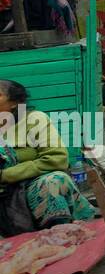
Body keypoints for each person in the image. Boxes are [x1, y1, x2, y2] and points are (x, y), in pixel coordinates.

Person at [0, 80, 95, 234]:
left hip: (32, 186)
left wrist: (5, 175)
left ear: (14, 103)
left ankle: (60, 236)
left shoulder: (34, 120)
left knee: (54, 181)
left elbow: (56, 159)